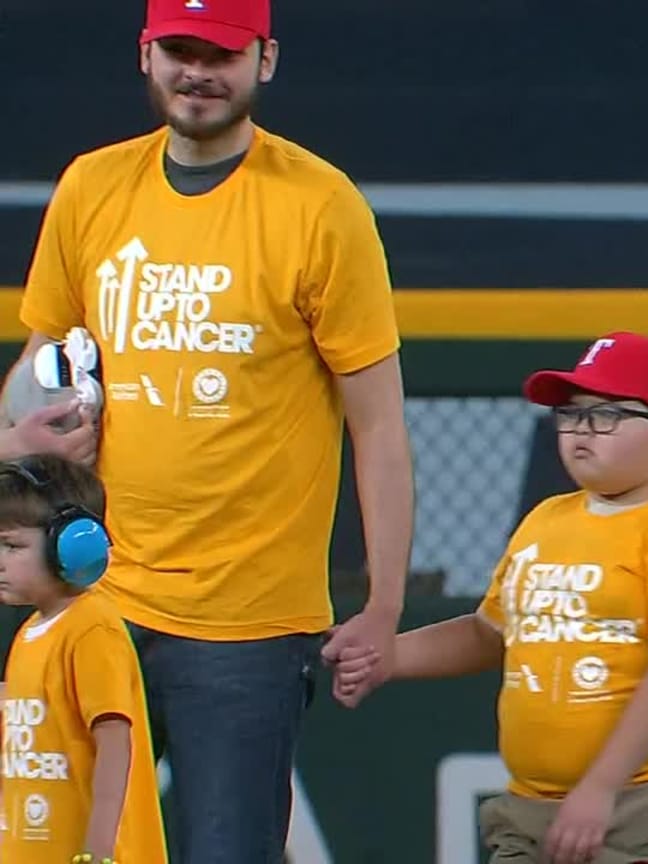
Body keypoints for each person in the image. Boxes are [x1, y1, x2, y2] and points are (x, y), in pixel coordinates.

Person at [13, 0, 415, 859]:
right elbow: (36, 361)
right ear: (145, 55)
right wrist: (20, 444)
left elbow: (377, 424)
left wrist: (383, 605)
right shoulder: (92, 186)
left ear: (265, 60)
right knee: (49, 845)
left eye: (221, 53)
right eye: (180, 50)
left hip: (247, 623)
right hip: (95, 591)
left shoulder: (318, 204)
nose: (199, 71)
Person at [336, 332, 648, 864]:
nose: (581, 431)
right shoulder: (548, 519)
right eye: (571, 415)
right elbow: (489, 633)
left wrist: (601, 788)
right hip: (532, 809)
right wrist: (386, 658)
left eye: (607, 416)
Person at [0, 456, 166, 863]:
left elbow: (113, 741)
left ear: (73, 545)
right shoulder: (29, 635)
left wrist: (99, 850)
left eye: (13, 545)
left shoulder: (92, 629)